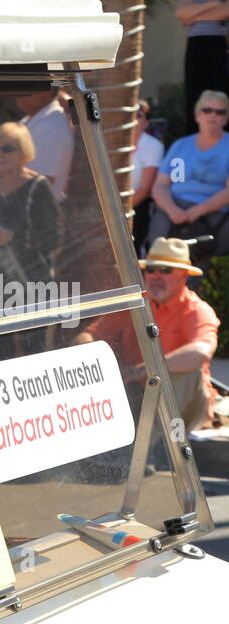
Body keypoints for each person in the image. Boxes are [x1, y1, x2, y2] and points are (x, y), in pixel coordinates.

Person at [80, 237, 220, 431]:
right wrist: (104, 367)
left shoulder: (196, 310)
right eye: (151, 269)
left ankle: (164, 447)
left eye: (165, 270)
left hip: (182, 407)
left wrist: (143, 370)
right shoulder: (135, 303)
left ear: (184, 276)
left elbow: (201, 352)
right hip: (140, 395)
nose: (155, 276)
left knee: (188, 372)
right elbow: (87, 337)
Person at [0, 122, 61, 356]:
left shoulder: (38, 186)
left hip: (31, 281)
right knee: (0, 353)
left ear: (24, 151)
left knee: (35, 353)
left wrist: (14, 237)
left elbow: (53, 236)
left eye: (7, 148)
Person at [147, 89, 229, 262]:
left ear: (226, 118)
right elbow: (161, 185)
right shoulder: (181, 145)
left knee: (200, 254)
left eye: (220, 111)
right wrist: (172, 209)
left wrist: (197, 211)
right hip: (174, 207)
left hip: (212, 211)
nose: (213, 115)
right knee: (157, 253)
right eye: (207, 110)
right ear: (197, 115)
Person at [177, 2, 229, 129]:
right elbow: (181, 13)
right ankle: (195, 137)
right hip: (195, 45)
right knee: (194, 95)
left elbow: (226, 11)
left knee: (222, 93)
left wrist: (193, 17)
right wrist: (215, 3)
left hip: (219, 43)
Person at [16, 90, 74, 201]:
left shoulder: (51, 127)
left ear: (46, 90)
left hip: (36, 210)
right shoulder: (36, 120)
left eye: (24, 85)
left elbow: (44, 183)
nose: (17, 92)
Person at [132, 99, 164, 246]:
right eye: (129, 113)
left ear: (146, 123)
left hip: (137, 207)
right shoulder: (108, 141)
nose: (133, 117)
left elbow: (144, 190)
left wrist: (115, 213)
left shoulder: (154, 146)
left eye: (138, 115)